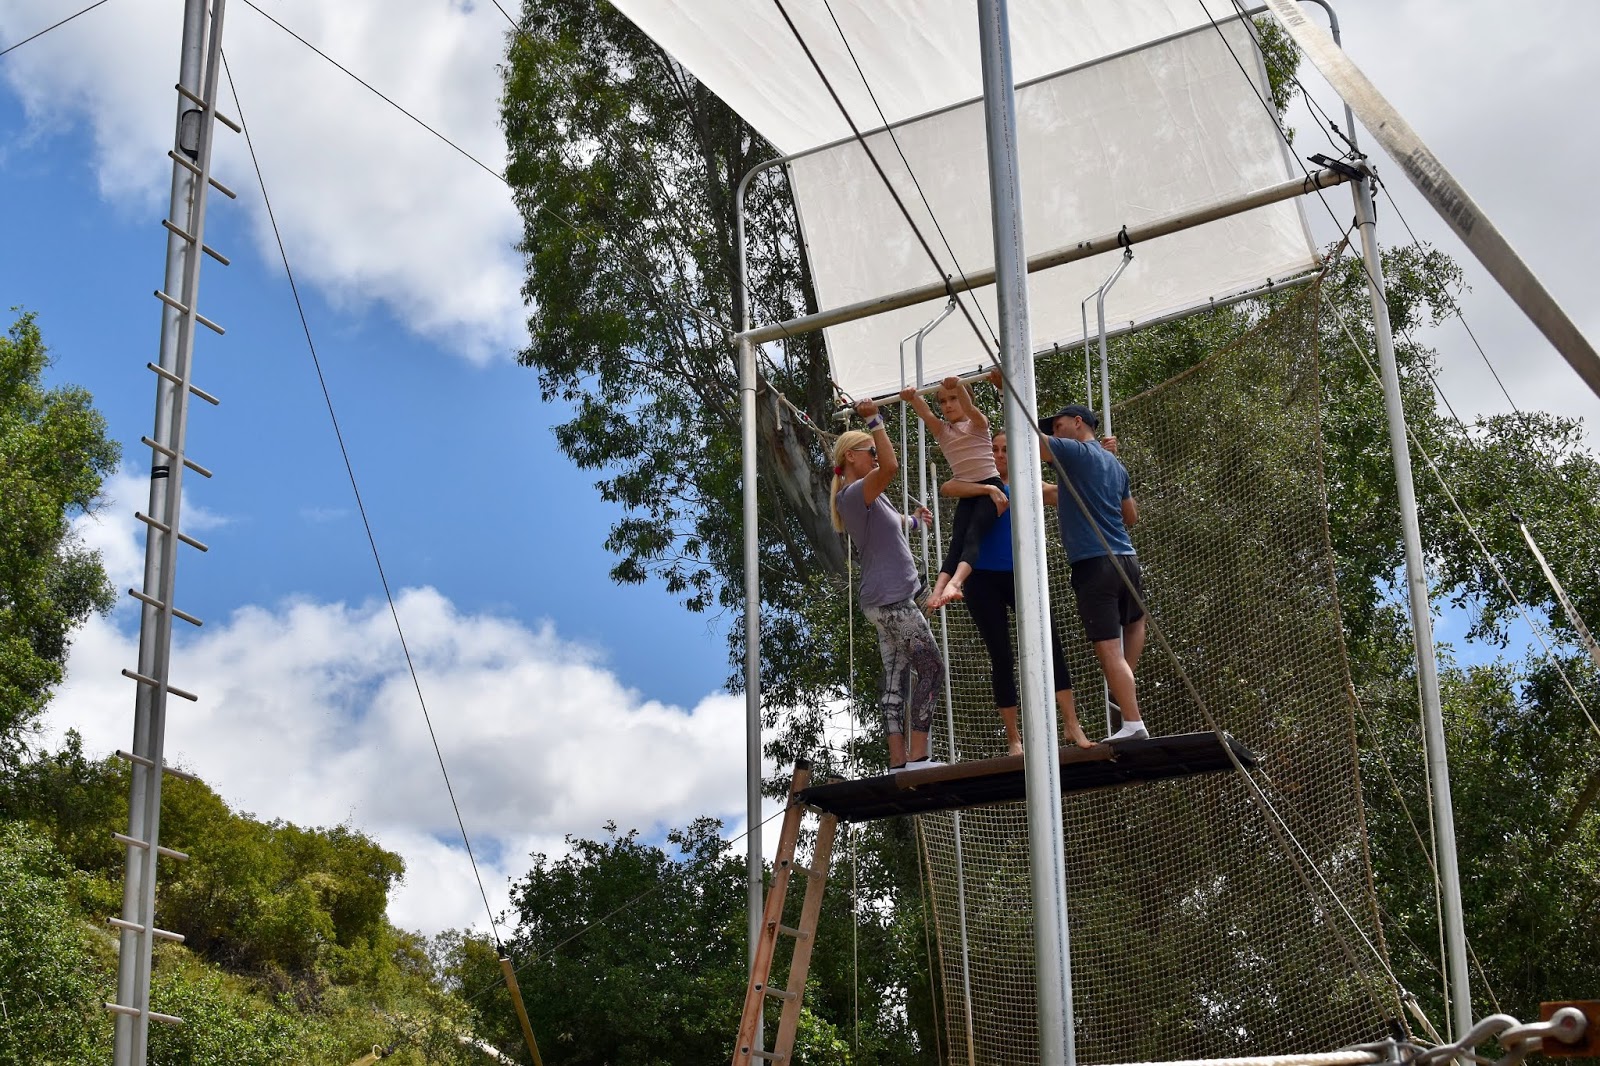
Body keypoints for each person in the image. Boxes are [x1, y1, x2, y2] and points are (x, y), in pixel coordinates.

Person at [941, 429, 1095, 753]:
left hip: (1020, 576)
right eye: (994, 450)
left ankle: (1071, 723)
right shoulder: (979, 484)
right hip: (981, 579)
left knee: (1050, 643)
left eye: (1005, 449)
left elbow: (1064, 492)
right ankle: (1014, 738)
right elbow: (948, 486)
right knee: (1001, 655)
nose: (998, 455)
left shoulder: (1028, 484)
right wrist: (984, 486)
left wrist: (1099, 458)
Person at [832, 398, 948, 773]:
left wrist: (914, 521)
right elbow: (893, 464)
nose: (876, 457)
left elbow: (892, 524)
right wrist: (874, 420)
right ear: (851, 456)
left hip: (884, 601)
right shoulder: (853, 493)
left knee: (896, 680)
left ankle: (899, 762)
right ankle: (918, 756)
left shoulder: (866, 496)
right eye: (869, 451)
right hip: (893, 600)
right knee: (931, 669)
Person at [1037, 404, 1150, 741]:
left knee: (1108, 651)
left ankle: (1132, 723)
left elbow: (1030, 440)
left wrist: (1004, 392)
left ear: (1077, 423)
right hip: (1127, 558)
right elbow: (1130, 517)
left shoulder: (1073, 451)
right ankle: (1123, 687)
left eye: (1058, 426)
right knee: (1135, 625)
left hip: (1094, 563)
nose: (1056, 432)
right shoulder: (1114, 464)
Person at [899, 376, 1006, 611]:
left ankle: (956, 583)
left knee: (973, 535)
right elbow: (926, 415)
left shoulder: (978, 424)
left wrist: (958, 384)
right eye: (943, 401)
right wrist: (912, 398)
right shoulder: (942, 431)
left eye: (953, 399)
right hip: (967, 490)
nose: (947, 405)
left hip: (989, 484)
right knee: (956, 541)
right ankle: (937, 592)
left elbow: (970, 408)